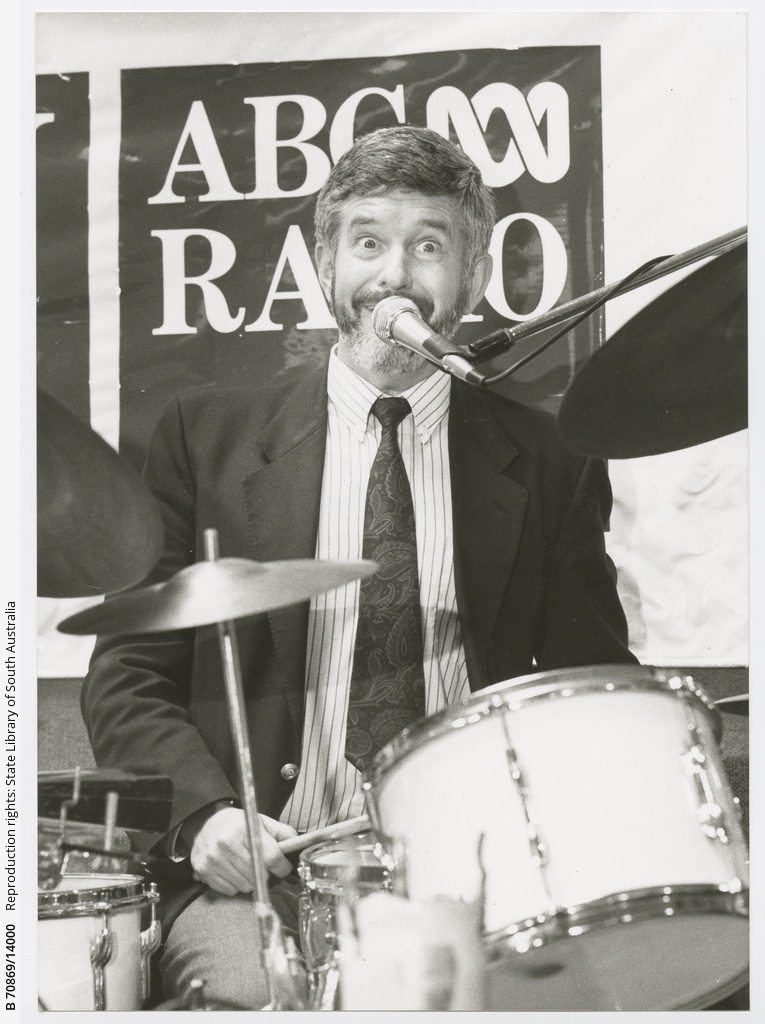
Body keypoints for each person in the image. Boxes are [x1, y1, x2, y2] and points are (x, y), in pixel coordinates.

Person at [81, 125, 636, 1008]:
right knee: (252, 997)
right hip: (260, 872)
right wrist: (203, 818)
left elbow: (588, 676)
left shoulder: (549, 454)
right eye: (368, 241)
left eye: (429, 245)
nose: (394, 274)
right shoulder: (204, 438)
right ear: (324, 263)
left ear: (474, 276)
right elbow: (127, 676)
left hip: (467, 869)